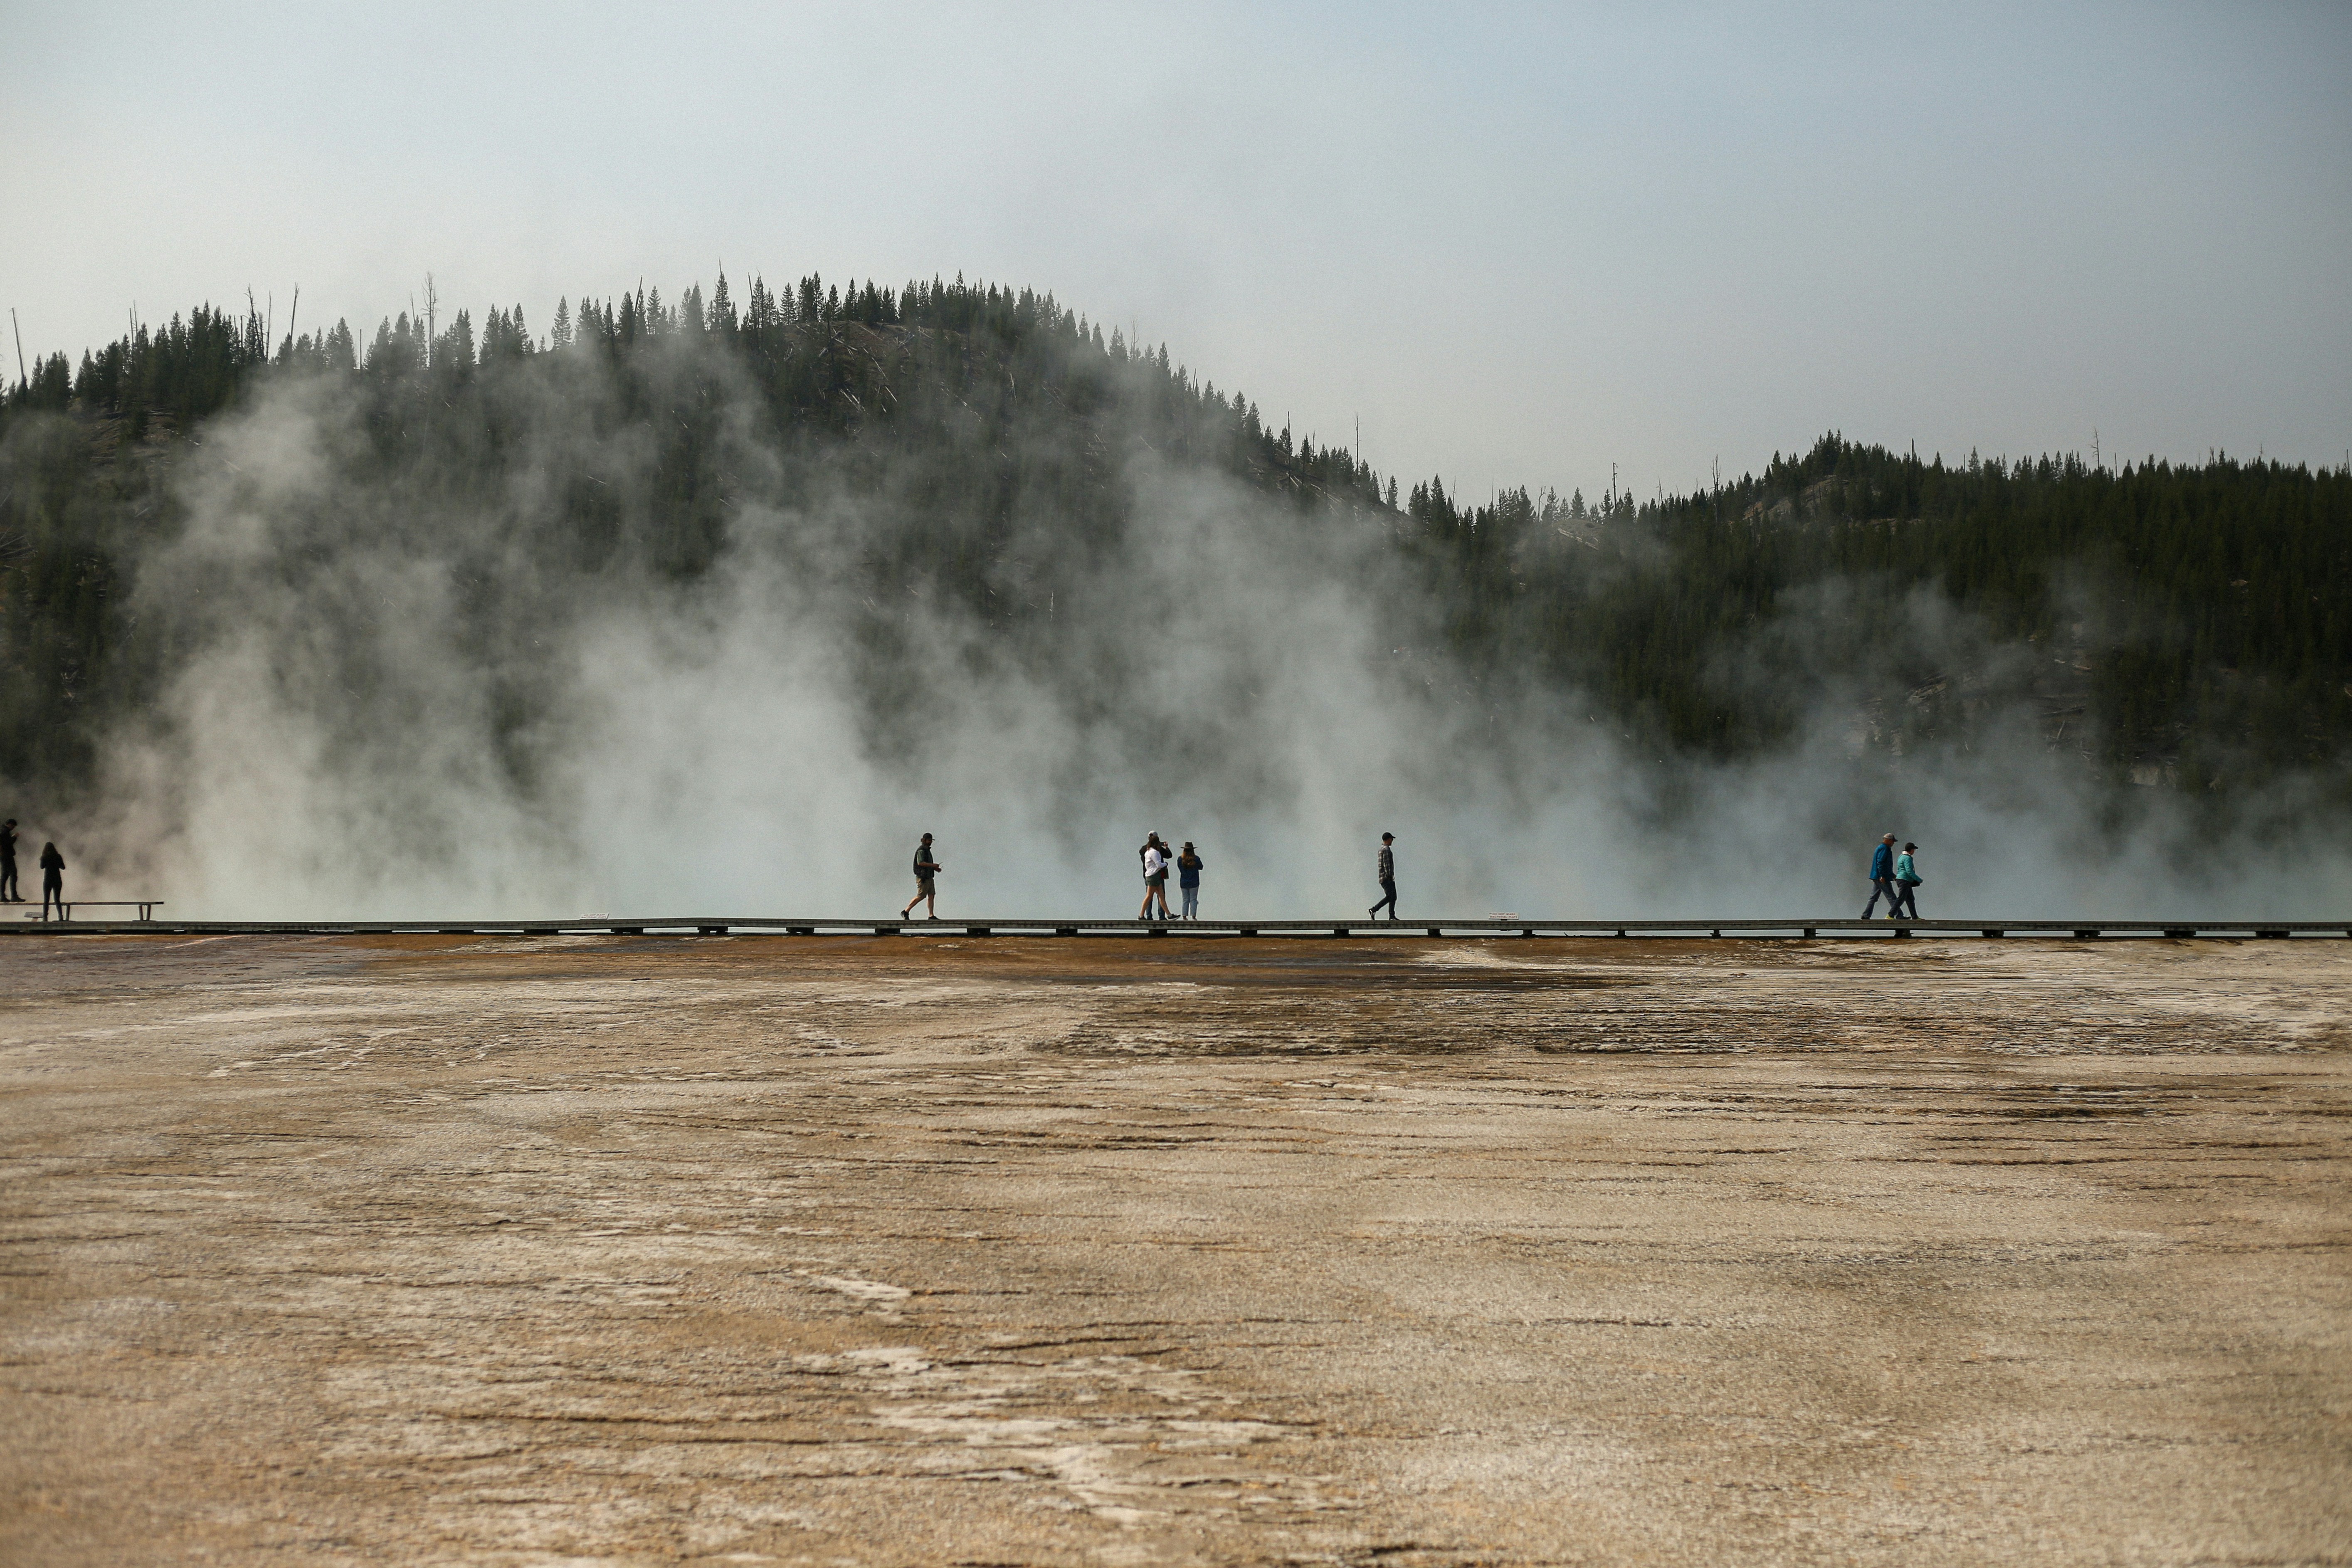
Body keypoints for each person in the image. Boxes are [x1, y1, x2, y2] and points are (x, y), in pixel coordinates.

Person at [900, 833, 943, 920]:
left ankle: (931, 915)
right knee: (921, 896)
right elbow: (921, 863)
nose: (930, 842)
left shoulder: (927, 850)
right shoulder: (922, 851)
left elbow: (927, 864)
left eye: (931, 840)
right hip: (923, 877)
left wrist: (935, 869)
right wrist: (933, 865)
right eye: (929, 840)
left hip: (929, 877)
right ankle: (906, 911)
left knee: (931, 895)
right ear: (924, 840)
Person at [1862, 832, 1901, 917]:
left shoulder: (1881, 848)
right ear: (1888, 840)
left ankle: (1866, 915)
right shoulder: (1885, 849)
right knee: (1891, 896)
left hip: (1877, 876)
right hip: (1882, 878)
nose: (1893, 843)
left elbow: (1885, 865)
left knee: (1873, 898)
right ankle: (1899, 915)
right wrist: (1882, 876)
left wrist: (1892, 875)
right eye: (1893, 841)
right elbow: (1881, 863)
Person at [1139, 834, 1173, 921]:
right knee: (1149, 897)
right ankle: (1142, 916)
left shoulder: (1146, 851)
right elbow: (1160, 864)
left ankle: (1169, 915)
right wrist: (1166, 864)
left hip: (1151, 876)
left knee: (1161, 897)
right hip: (1154, 876)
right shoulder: (1154, 852)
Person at [1369, 832, 1399, 920]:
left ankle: (1392, 916)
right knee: (1390, 896)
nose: (1392, 841)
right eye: (1392, 839)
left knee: (1393, 896)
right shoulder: (1386, 850)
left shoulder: (1381, 849)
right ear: (1388, 839)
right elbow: (1387, 865)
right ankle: (1374, 910)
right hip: (1387, 878)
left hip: (1384, 878)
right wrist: (1390, 876)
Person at [1893, 842, 1923, 920]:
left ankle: (1915, 917)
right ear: (1911, 850)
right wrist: (1918, 879)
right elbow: (1909, 871)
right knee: (1901, 899)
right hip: (1904, 880)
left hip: (1901, 879)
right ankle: (1890, 915)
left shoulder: (1901, 857)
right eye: (1914, 849)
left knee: (1911, 899)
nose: (1914, 851)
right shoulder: (1907, 858)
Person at [1177, 841, 1204, 920]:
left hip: (1184, 882)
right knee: (1193, 899)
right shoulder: (1196, 859)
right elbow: (1201, 867)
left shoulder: (1180, 859)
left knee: (1185, 899)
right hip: (1194, 881)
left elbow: (1180, 868)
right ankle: (1194, 916)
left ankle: (1184, 916)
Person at [39, 841, 65, 921]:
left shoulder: (44, 857)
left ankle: (45, 917)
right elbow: (63, 867)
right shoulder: (58, 856)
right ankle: (61, 916)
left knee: (46, 900)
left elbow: (42, 867)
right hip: (57, 879)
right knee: (57, 899)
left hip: (48, 880)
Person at [0, 818, 17, 902]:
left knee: (5, 876)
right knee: (13, 875)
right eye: (13, 826)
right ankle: (14, 896)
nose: (13, 828)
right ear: (10, 824)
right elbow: (8, 844)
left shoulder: (3, 831)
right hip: (7, 857)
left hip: (4, 857)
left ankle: (2, 896)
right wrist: (15, 837)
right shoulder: (5, 832)